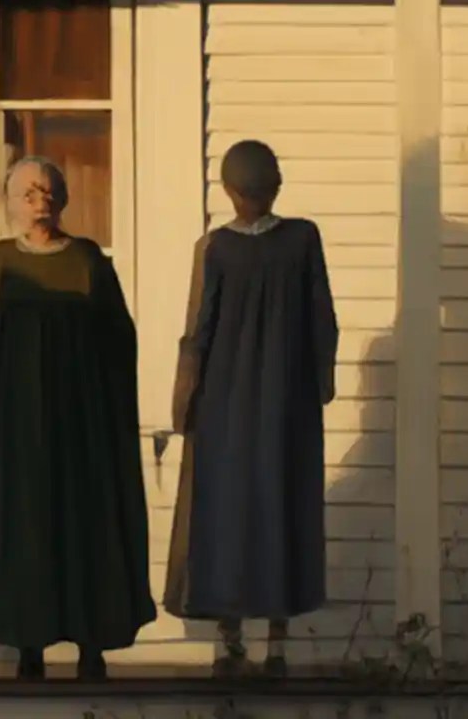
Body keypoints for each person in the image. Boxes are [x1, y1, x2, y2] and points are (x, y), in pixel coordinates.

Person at [0, 156, 155, 681]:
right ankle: (30, 643)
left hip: (84, 418)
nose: (40, 201)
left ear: (64, 200)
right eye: (28, 192)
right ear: (10, 201)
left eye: (49, 192)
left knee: (85, 519)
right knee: (29, 521)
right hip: (24, 415)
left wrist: (111, 403)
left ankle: (91, 643)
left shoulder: (88, 258)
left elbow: (119, 334)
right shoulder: (4, 259)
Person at [164, 139, 338, 679]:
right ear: (276, 185)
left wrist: (183, 404)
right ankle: (278, 643)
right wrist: (318, 386)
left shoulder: (214, 248)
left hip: (224, 404)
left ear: (229, 191)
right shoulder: (302, 239)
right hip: (286, 402)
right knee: (283, 506)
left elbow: (199, 330)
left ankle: (228, 638)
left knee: (225, 512)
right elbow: (322, 320)